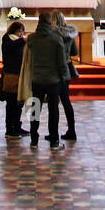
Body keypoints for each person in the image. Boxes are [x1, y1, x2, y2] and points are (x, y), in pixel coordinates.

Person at [24, 13, 68, 150]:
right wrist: (65, 77)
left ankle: (34, 139)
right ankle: (54, 140)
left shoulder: (31, 38)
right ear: (50, 23)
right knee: (53, 110)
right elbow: (61, 62)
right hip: (53, 79)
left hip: (37, 78)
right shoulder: (56, 39)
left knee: (35, 108)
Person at [51, 10, 78, 141]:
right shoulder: (70, 34)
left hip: (54, 68)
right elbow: (74, 52)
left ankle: (53, 134)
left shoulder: (52, 34)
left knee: (53, 102)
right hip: (66, 68)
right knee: (66, 100)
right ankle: (72, 130)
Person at [0, 21, 26, 138]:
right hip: (11, 75)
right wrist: (22, 41)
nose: (21, 34)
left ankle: (17, 126)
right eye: (19, 31)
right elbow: (10, 49)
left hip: (19, 74)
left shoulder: (19, 41)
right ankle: (9, 129)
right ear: (13, 31)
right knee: (11, 103)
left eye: (22, 32)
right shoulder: (7, 39)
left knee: (19, 103)